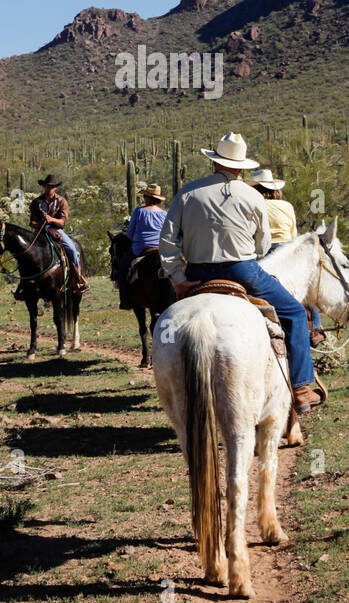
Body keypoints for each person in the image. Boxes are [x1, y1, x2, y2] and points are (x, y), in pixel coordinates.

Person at [159, 132, 322, 413]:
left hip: (198, 273)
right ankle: (301, 388)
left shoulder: (187, 193)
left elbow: (168, 240)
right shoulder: (252, 195)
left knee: (164, 327)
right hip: (243, 270)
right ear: (241, 166)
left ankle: (165, 379)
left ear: (214, 162)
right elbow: (264, 245)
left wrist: (179, 279)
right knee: (295, 313)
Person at [249, 167, 327, 348]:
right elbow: (293, 235)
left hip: (263, 251)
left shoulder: (253, 205)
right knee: (306, 290)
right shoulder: (287, 206)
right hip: (286, 249)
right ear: (274, 189)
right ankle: (316, 327)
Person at [29, 174, 87, 292]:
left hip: (56, 230)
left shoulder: (61, 201)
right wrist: (39, 224)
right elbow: (31, 223)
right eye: (47, 186)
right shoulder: (36, 202)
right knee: (27, 250)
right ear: (44, 186)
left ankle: (78, 277)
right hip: (40, 231)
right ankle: (24, 283)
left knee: (71, 248)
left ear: (55, 187)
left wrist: (51, 219)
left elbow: (62, 222)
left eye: (52, 186)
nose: (49, 188)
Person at [117, 184, 167, 309]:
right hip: (162, 249)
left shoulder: (139, 211)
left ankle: (125, 299)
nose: (144, 197)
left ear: (148, 197)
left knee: (122, 268)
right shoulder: (165, 214)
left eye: (145, 195)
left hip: (141, 249)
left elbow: (129, 234)